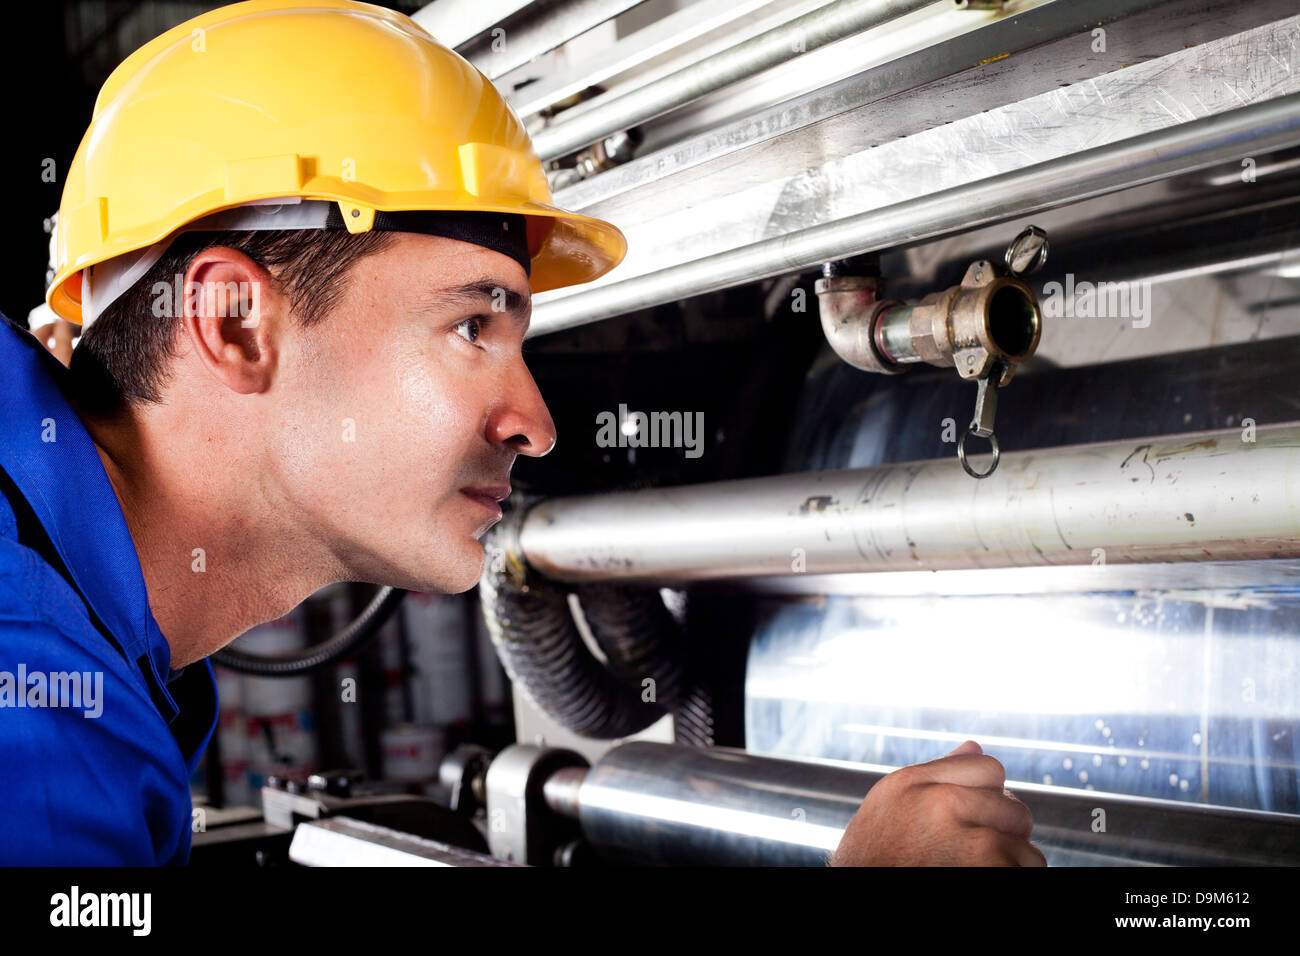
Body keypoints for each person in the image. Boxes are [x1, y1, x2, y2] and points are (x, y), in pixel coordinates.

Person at [3, 0, 1042, 866]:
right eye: (470, 324)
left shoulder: (86, 638)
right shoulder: (40, 727)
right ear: (234, 324)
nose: (535, 423)